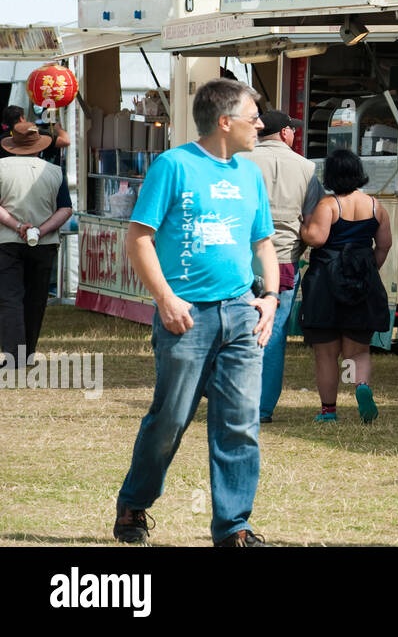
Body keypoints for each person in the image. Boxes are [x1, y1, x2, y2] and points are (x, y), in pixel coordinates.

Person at [114, 78, 278, 547]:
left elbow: (263, 243)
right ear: (225, 121)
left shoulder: (250, 174)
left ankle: (233, 528)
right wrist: (165, 298)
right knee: (170, 420)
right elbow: (138, 237)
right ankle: (133, 506)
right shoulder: (173, 165)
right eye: (253, 116)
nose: (260, 124)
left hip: (241, 315)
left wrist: (269, 297)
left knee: (241, 423)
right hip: (186, 318)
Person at [299, 148, 392, 424]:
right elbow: (384, 245)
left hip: (326, 283)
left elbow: (316, 238)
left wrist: (303, 227)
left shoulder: (328, 205)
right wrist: (366, 268)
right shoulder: (376, 206)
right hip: (360, 282)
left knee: (326, 352)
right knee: (357, 350)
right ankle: (361, 387)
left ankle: (329, 411)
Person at [245, 109, 324, 424]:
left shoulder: (242, 160)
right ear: (284, 133)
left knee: (237, 330)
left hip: (243, 258)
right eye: (293, 128)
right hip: (284, 261)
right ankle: (262, 409)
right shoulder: (306, 167)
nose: (295, 133)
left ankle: (234, 397)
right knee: (274, 336)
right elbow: (311, 218)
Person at [0, 122, 73, 365]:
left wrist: (17, 225)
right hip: (44, 243)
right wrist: (40, 230)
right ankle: (28, 353)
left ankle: (14, 356)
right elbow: (65, 209)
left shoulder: (1, 167)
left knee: (10, 298)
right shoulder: (54, 171)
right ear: (38, 147)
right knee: (36, 298)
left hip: (7, 240)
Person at [0, 104, 69, 164]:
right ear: (21, 118)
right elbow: (65, 141)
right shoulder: (33, 132)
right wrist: (59, 129)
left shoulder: (2, 140)